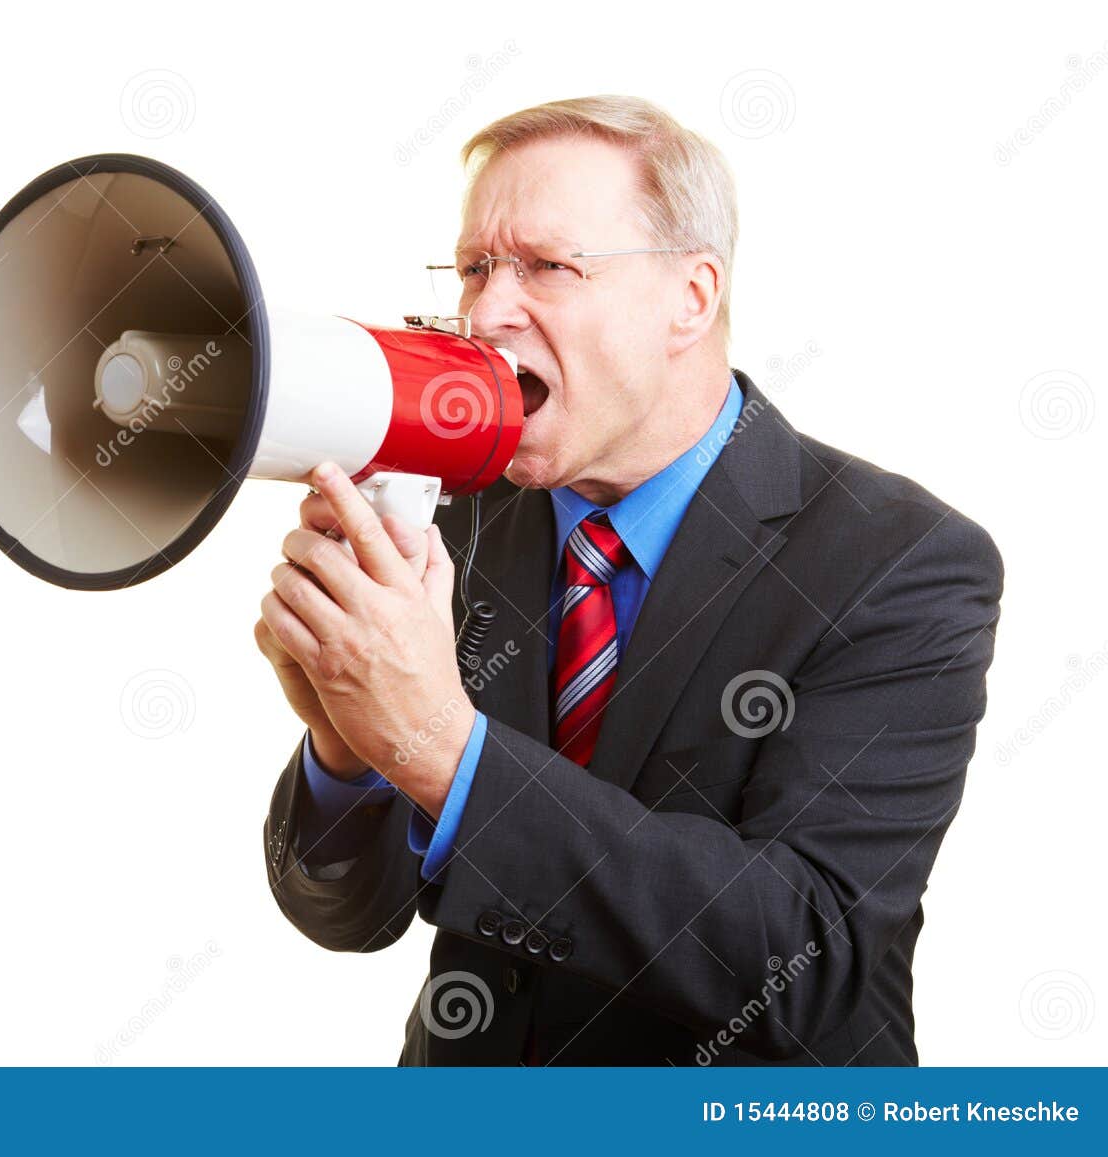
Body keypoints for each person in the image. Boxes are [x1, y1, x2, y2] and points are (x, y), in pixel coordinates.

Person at [255, 95, 1003, 1065]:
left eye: (547, 266)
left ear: (690, 297)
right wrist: (346, 742)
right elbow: (344, 915)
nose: (484, 312)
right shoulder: (457, 514)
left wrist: (436, 743)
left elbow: (807, 959)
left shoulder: (898, 562)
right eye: (476, 267)